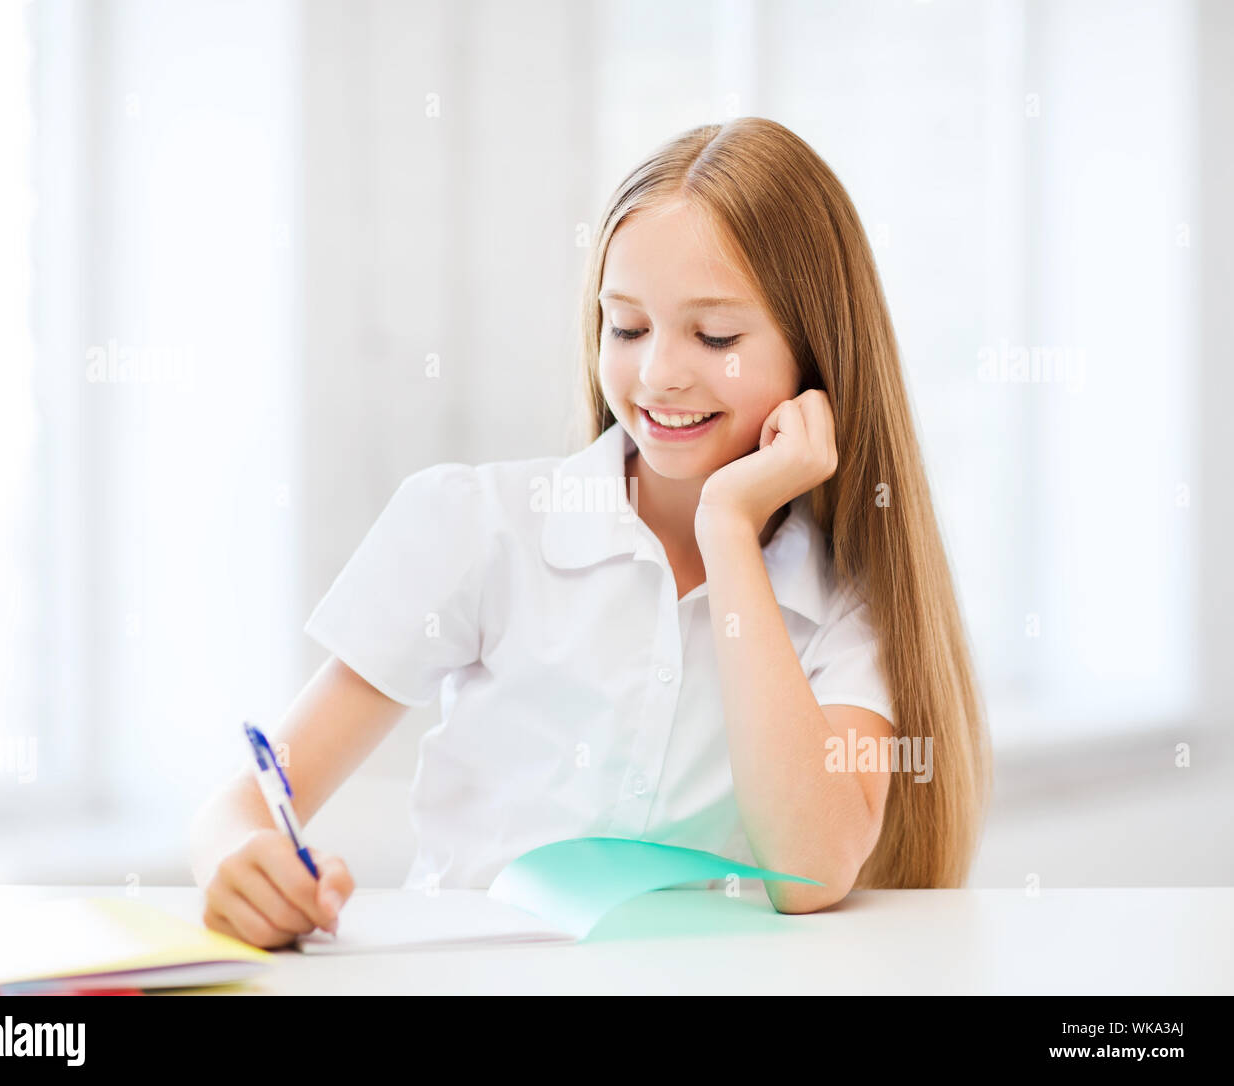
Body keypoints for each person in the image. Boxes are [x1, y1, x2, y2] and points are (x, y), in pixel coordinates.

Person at [190, 116, 991, 949]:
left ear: (815, 356)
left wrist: (728, 528)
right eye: (628, 327)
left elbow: (815, 864)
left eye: (715, 336)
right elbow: (245, 801)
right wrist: (239, 858)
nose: (657, 375)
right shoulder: (482, 527)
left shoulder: (847, 601)